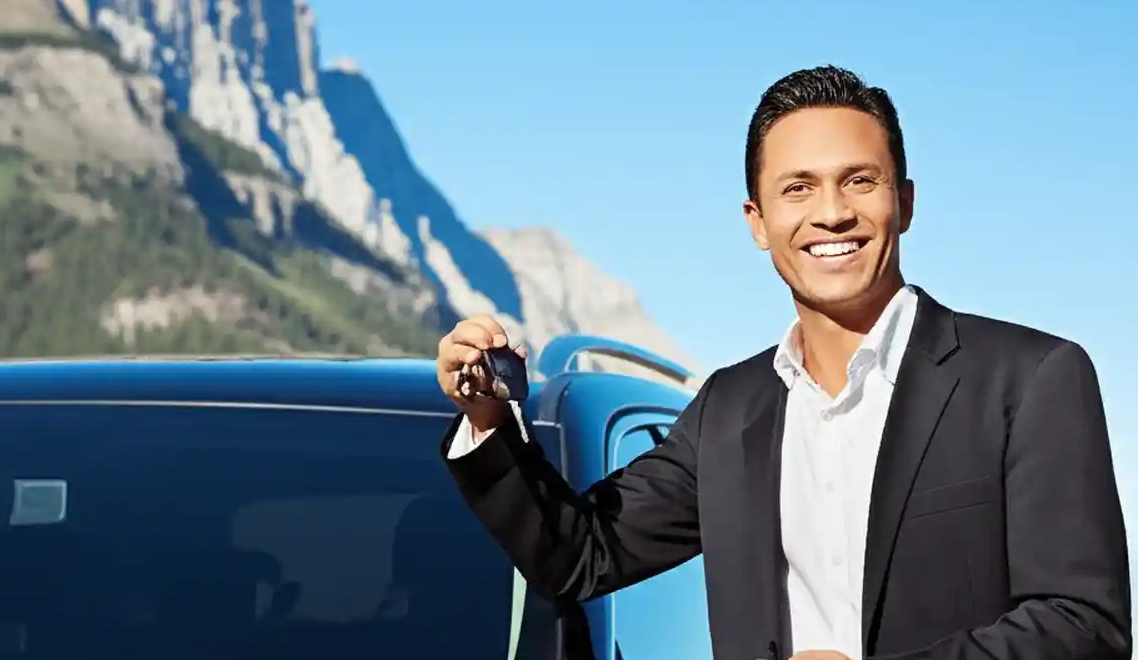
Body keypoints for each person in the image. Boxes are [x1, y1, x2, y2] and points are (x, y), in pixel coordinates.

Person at [433, 65, 1131, 659]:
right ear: (757, 222)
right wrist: (489, 417)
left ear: (905, 202)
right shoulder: (729, 410)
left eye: (859, 180)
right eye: (798, 188)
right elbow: (581, 553)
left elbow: (1086, 626)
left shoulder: (1032, 378)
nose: (831, 213)